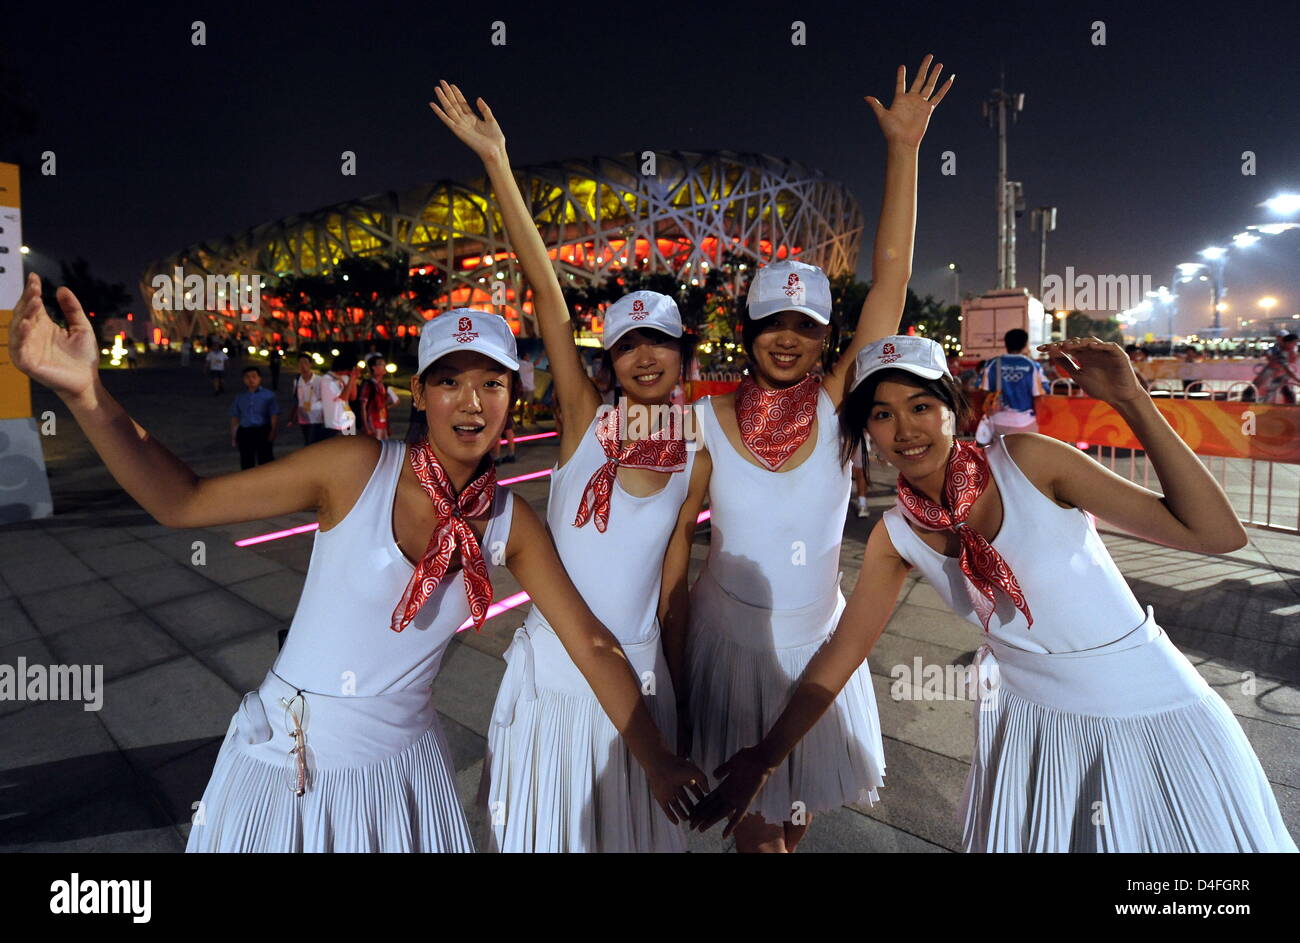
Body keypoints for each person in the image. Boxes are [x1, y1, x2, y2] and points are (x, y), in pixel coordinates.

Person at [9, 272, 706, 852]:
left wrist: (657, 756)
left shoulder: (508, 521)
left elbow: (589, 640)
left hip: (403, 776)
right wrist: (85, 395)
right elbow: (182, 500)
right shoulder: (356, 470)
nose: (471, 402)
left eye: (492, 384)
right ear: (421, 395)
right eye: (449, 382)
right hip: (295, 768)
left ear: (514, 401)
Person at [691, 334, 1297, 853]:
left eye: (921, 404)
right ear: (863, 431)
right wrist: (766, 756)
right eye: (881, 414)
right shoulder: (896, 534)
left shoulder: (1030, 463)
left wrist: (1131, 400)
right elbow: (840, 654)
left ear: (954, 407)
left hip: (1151, 711)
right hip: (1035, 732)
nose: (905, 429)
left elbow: (1216, 534)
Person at [679, 55, 951, 853]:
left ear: (827, 338)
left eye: (805, 326)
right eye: (773, 325)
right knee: (754, 835)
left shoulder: (840, 407)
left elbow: (891, 278)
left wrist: (904, 151)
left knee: (793, 822)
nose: (788, 339)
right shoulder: (706, 420)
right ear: (748, 333)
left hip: (815, 650)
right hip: (723, 644)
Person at [433, 81, 712, 852]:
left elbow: (673, 589)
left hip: (640, 683)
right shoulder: (586, 420)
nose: (643, 356)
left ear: (682, 352)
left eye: (658, 341)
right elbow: (548, 295)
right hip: (556, 672)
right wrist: (498, 161)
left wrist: (683, 703)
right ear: (611, 359)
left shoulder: (696, 451)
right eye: (627, 345)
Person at [977, 328, 1045, 443]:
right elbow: (1037, 396)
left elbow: (984, 391)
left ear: (1005, 343)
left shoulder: (993, 363)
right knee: (1023, 458)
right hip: (1024, 422)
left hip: (997, 420)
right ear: (1024, 344)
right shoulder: (1032, 366)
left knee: (998, 457)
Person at [229, 366, 279, 469]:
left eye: (254, 376)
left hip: (262, 430)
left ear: (259, 378)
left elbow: (274, 414)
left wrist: (273, 431)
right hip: (245, 432)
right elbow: (235, 417)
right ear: (243, 380)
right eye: (247, 377)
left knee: (266, 461)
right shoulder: (240, 396)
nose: (251, 379)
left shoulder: (269, 395)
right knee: (246, 461)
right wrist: (234, 435)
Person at [358, 353, 400, 439]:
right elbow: (363, 407)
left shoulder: (383, 385)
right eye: (381, 364)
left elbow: (391, 403)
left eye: (385, 364)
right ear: (373, 367)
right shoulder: (368, 385)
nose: (384, 367)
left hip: (383, 424)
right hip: (373, 424)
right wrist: (366, 427)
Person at [1251, 333, 1299, 404]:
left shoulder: (1285, 352)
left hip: (1271, 385)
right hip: (1265, 386)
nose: (1295, 345)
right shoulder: (1282, 353)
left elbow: (1290, 363)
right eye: (1294, 343)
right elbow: (1287, 369)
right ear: (1287, 343)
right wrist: (1297, 380)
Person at [318, 355, 359, 439]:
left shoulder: (344, 377)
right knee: (338, 450)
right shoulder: (326, 380)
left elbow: (353, 397)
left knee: (350, 448)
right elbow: (343, 398)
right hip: (335, 423)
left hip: (348, 421)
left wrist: (353, 379)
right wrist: (351, 378)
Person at [289, 353, 324, 445]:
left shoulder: (319, 380)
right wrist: (293, 417)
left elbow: (324, 399)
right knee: (308, 440)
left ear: (310, 364)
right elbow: (296, 399)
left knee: (311, 442)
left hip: (316, 417)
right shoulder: (297, 380)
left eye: (305, 363)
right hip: (303, 417)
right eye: (300, 363)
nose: (303, 366)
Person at [516, 351, 536, 425]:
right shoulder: (528, 365)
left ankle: (521, 420)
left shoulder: (518, 363)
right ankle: (532, 420)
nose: (529, 357)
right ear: (524, 357)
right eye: (528, 356)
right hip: (529, 388)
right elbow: (536, 363)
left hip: (522, 388)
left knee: (521, 404)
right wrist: (542, 355)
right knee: (530, 405)